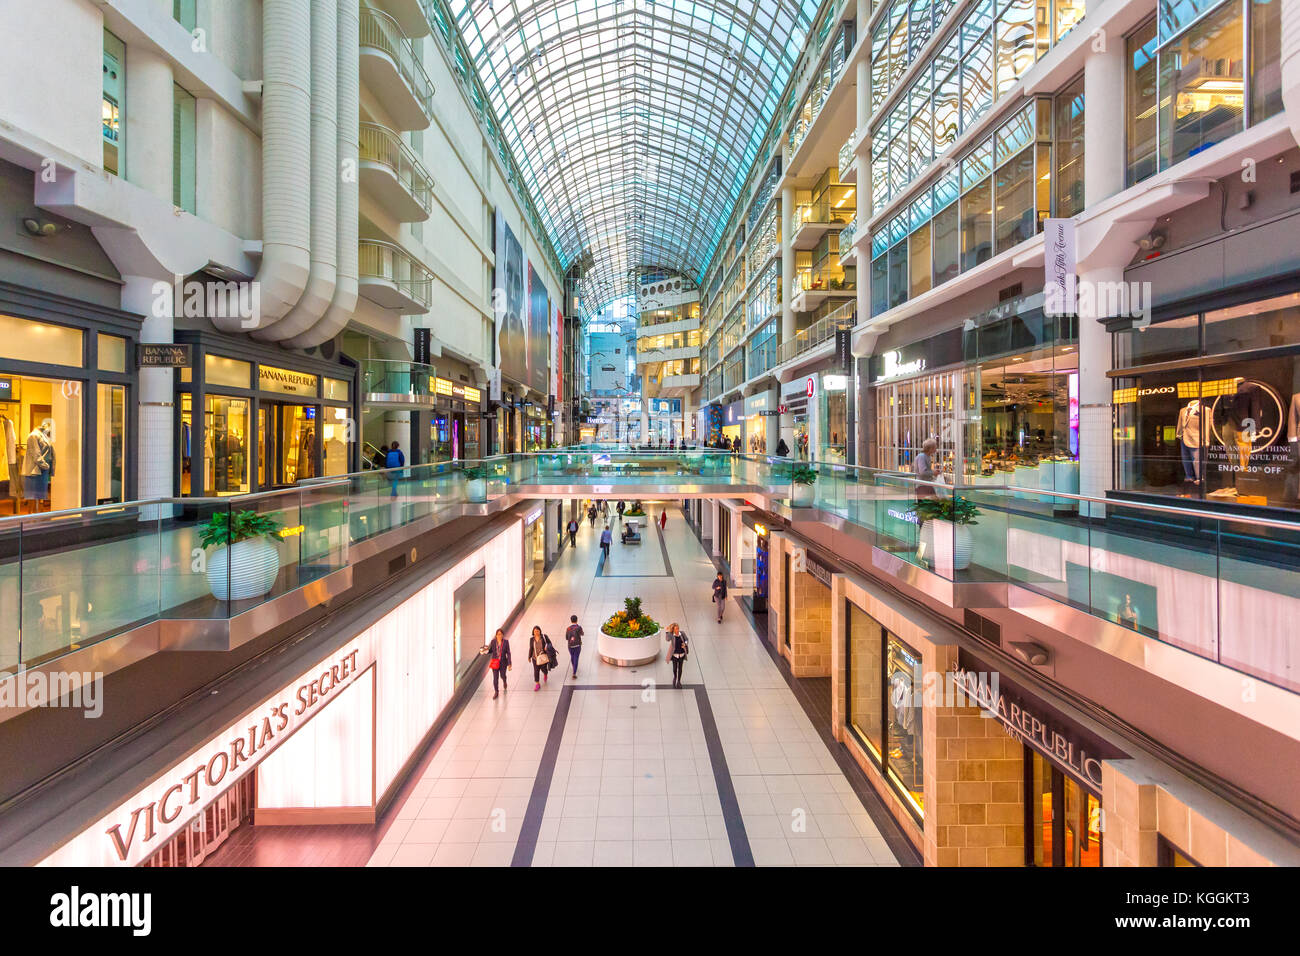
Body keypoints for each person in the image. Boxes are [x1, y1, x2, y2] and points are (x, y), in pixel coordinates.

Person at [479, 628, 512, 699]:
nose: (499, 636)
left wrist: (509, 663)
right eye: (498, 634)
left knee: (502, 675)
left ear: (503, 635)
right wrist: (485, 651)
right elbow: (491, 650)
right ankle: (496, 692)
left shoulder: (506, 642)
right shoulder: (493, 642)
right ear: (496, 635)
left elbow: (508, 653)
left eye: (501, 634)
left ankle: (504, 681)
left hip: (503, 662)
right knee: (495, 678)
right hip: (495, 662)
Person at [527, 625, 554, 690]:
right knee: (536, 671)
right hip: (535, 658)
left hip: (543, 657)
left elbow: (550, 643)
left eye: (537, 631)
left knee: (543, 669)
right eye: (535, 631)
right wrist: (529, 657)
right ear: (533, 632)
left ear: (540, 631)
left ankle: (545, 673)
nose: (536, 632)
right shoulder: (531, 639)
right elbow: (531, 648)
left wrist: (547, 647)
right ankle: (537, 683)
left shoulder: (544, 637)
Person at [666, 623, 689, 688]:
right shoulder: (671, 635)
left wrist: (685, 644)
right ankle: (675, 677)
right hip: (674, 655)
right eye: (676, 629)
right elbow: (667, 639)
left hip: (681, 654)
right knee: (675, 668)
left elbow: (687, 639)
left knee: (680, 668)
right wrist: (667, 632)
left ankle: (679, 681)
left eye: (678, 628)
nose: (677, 630)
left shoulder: (682, 633)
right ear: (673, 629)